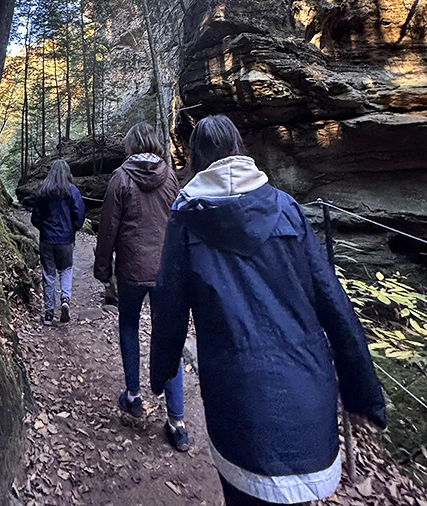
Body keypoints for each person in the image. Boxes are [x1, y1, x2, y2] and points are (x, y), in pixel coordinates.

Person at [150, 114, 386, 505]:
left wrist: (160, 373)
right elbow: (332, 300)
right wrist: (363, 394)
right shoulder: (287, 209)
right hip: (307, 392)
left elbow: (170, 302)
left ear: (196, 159)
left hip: (236, 397)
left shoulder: (186, 219)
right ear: (239, 149)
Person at [94, 121, 189, 452]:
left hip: (132, 270)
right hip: (164, 271)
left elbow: (108, 228)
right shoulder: (170, 177)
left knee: (129, 327)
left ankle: (133, 395)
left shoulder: (121, 177)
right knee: (169, 338)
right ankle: (177, 422)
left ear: (132, 145)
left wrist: (103, 268)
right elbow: (177, 223)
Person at [31, 158, 85, 326]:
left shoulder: (43, 191)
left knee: (48, 274)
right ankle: (65, 299)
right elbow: (79, 215)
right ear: (67, 173)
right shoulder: (72, 191)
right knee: (66, 270)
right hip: (66, 240)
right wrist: (73, 229)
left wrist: (43, 229)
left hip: (47, 239)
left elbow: (35, 218)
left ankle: (48, 314)